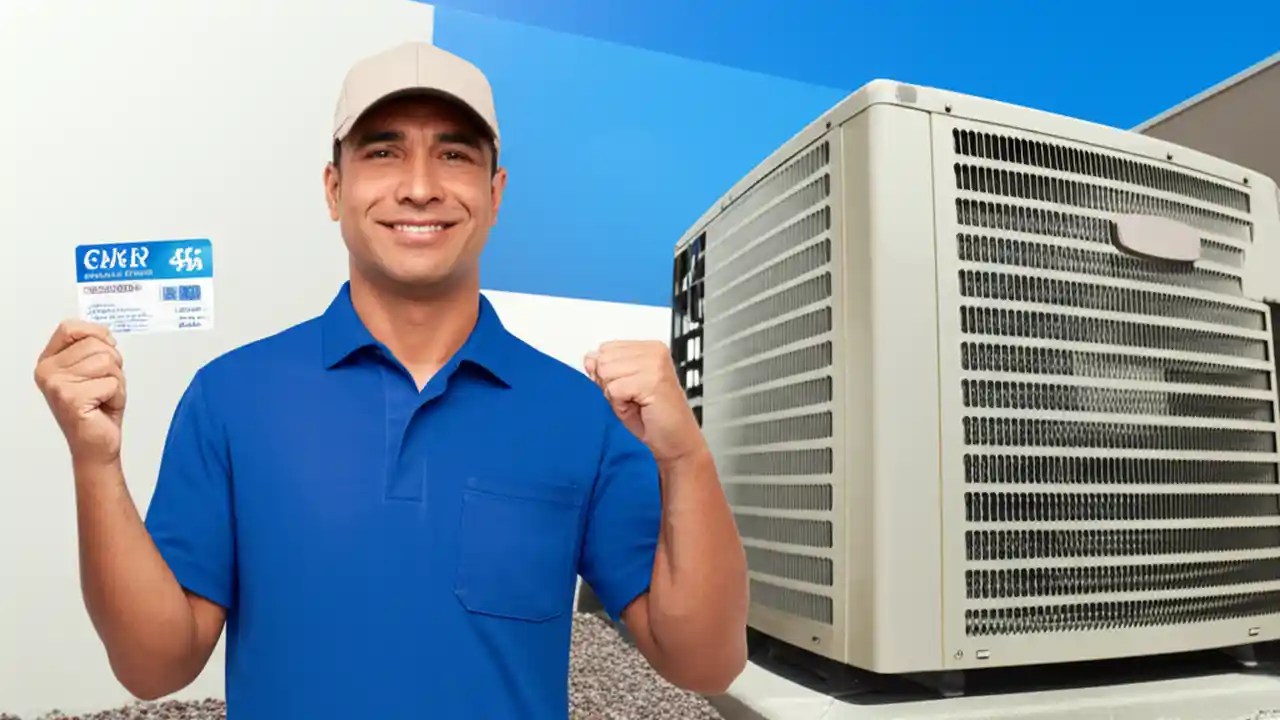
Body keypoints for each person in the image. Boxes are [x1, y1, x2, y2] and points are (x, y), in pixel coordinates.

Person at [33, 42, 749, 718]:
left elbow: (704, 664)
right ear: (333, 189)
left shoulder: (582, 415)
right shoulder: (229, 398)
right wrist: (94, 460)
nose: (418, 187)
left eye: (454, 154)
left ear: (495, 193)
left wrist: (685, 458)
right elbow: (154, 667)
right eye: (383, 152)